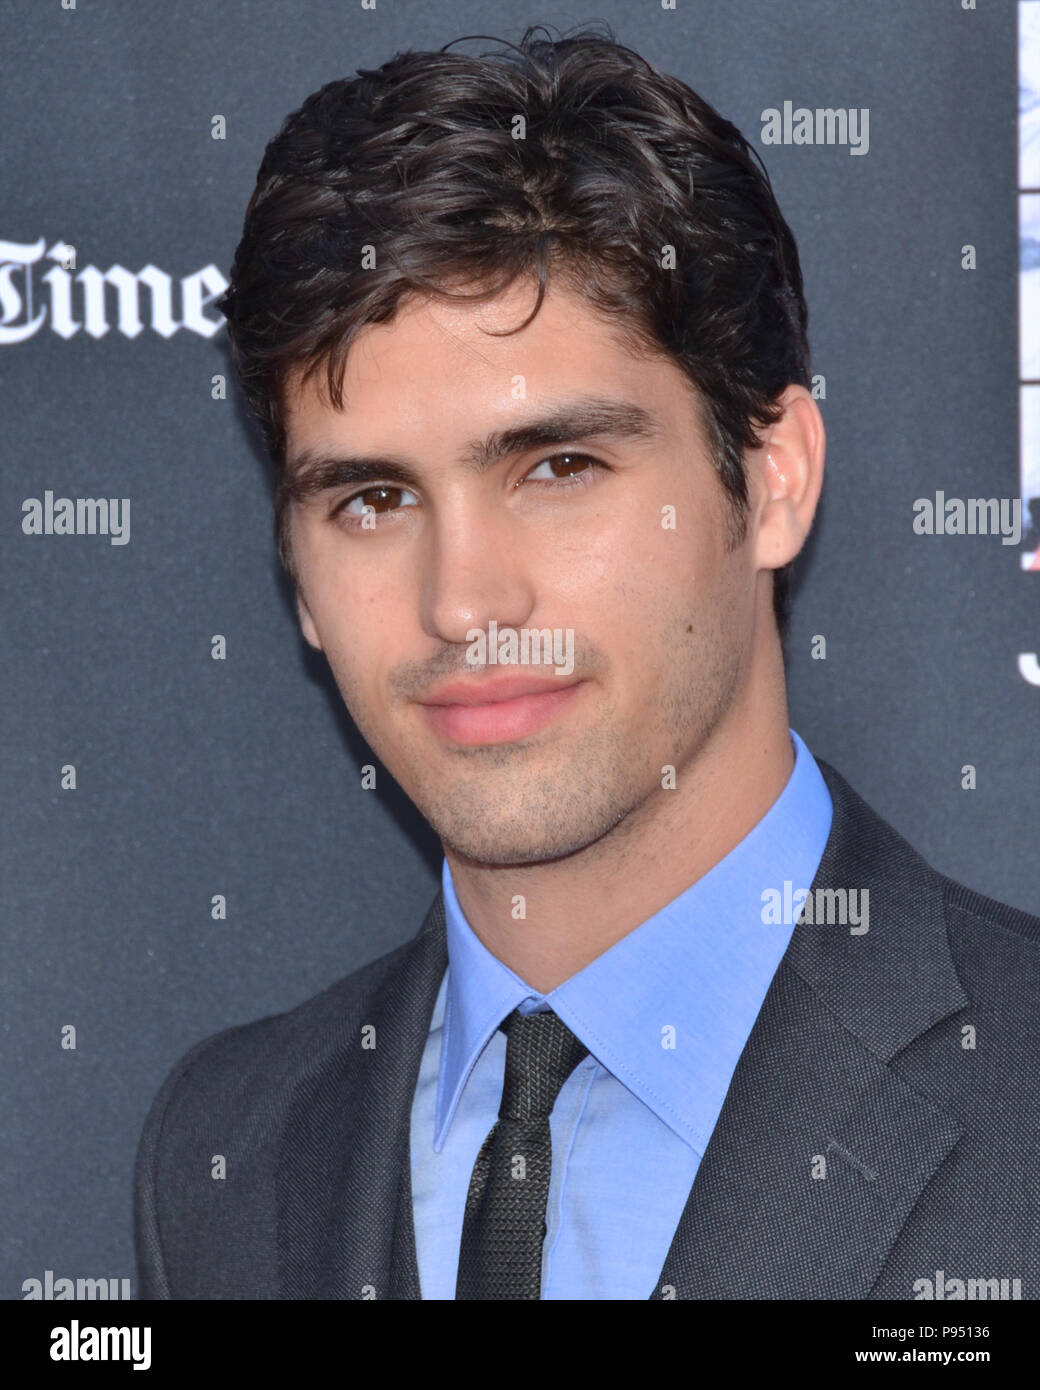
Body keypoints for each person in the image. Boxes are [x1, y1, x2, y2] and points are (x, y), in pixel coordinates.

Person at [134, 27, 1040, 1300]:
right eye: (372, 500)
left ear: (771, 480)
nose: (465, 602)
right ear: (297, 576)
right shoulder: (227, 1147)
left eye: (558, 469)